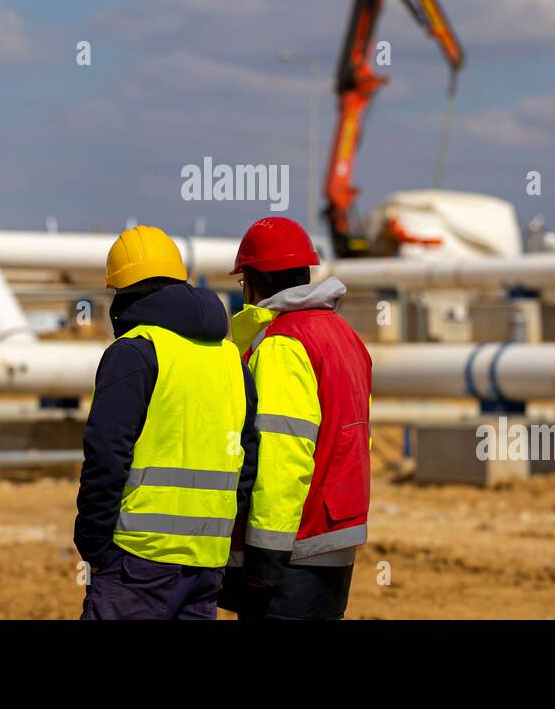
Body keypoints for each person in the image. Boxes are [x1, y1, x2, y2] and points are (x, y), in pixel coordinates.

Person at [74, 225, 258, 619]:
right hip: (207, 563)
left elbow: (106, 455)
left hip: (137, 561)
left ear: (124, 294)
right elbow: (248, 458)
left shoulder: (134, 353)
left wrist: (95, 544)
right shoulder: (231, 361)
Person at [222, 217, 372, 620]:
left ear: (253, 283)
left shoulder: (283, 344)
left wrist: (264, 558)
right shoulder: (343, 335)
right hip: (335, 538)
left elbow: (281, 457)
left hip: (293, 547)